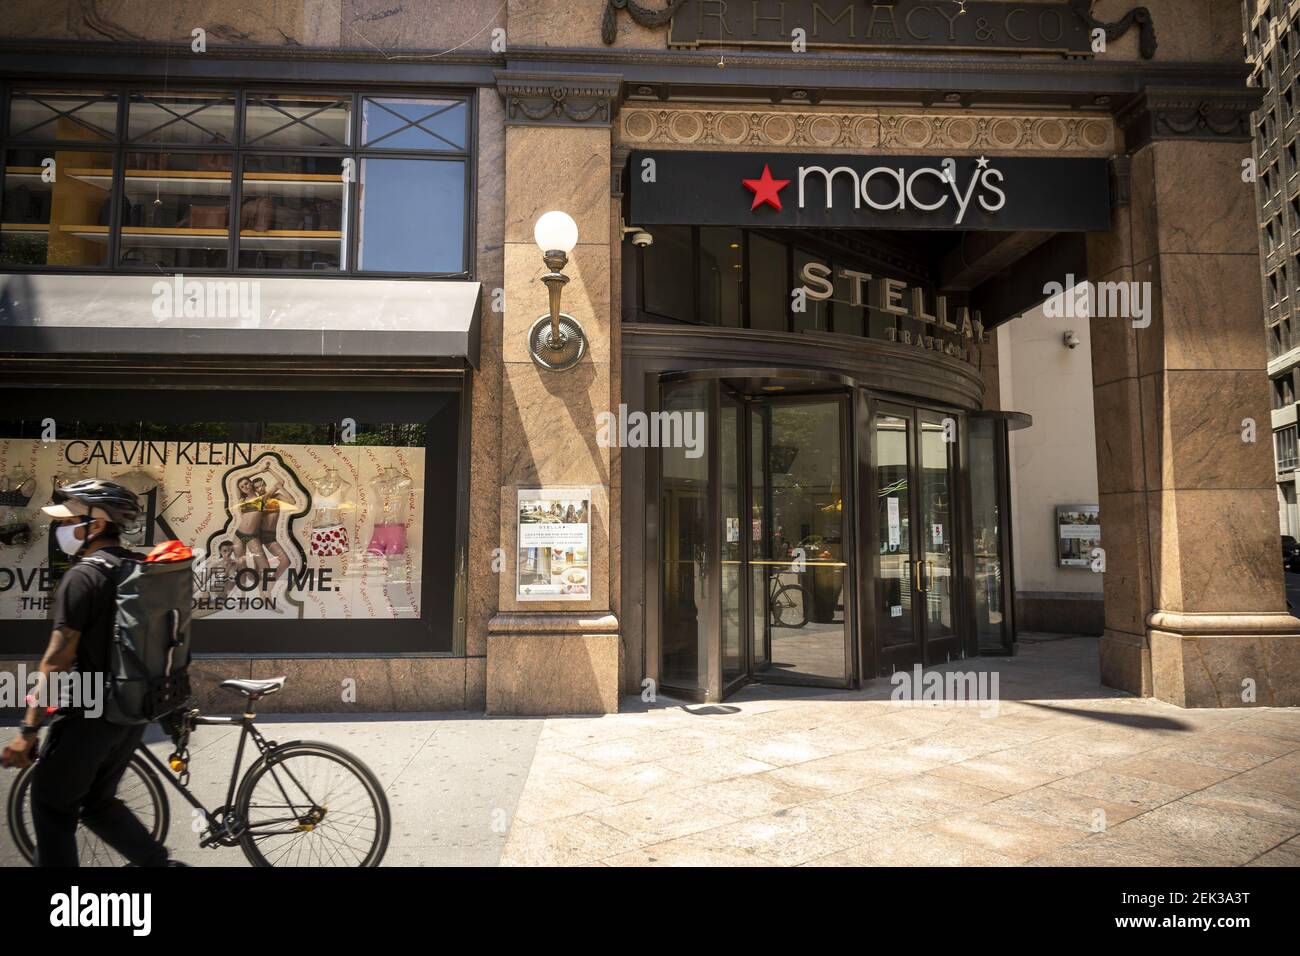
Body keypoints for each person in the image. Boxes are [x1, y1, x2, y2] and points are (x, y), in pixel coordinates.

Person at [2, 479, 177, 867]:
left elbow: (57, 658)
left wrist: (28, 730)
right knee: (97, 803)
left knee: (51, 803)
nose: (60, 529)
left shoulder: (84, 576)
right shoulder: (137, 569)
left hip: (86, 712)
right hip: (130, 710)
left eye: (69, 521)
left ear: (95, 525)